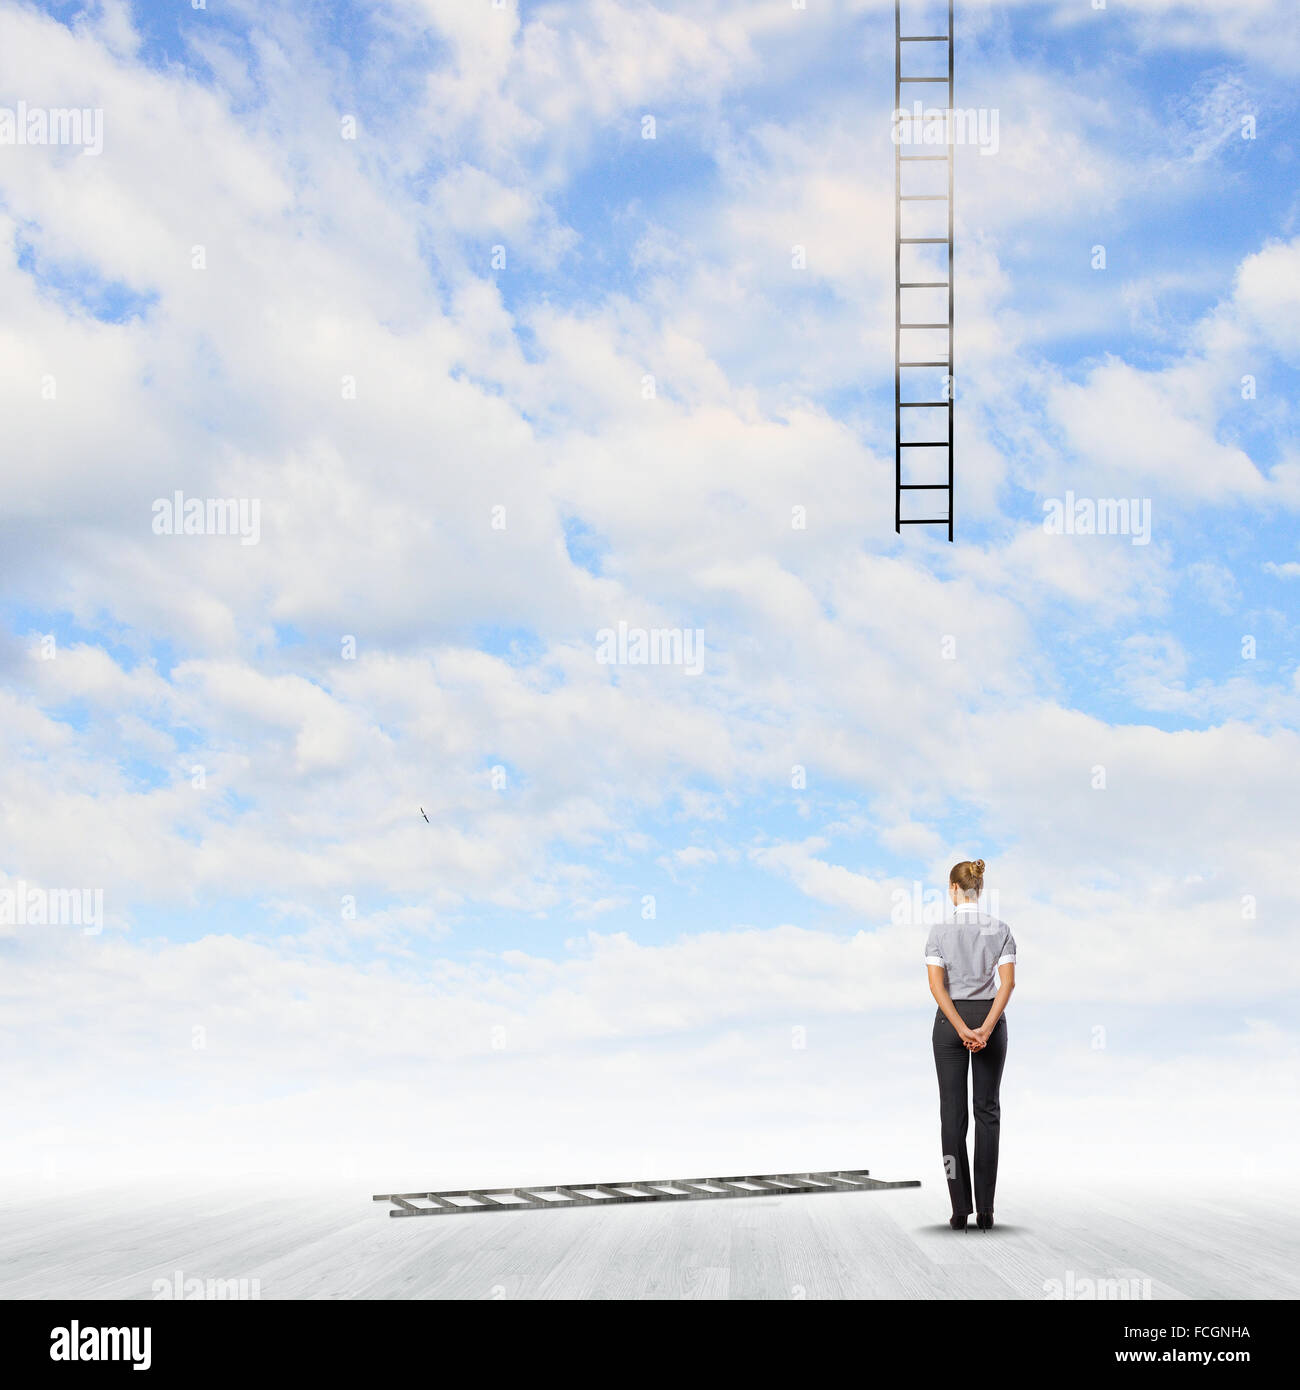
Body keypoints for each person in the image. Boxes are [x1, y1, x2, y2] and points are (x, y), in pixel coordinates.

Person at [924, 859, 1016, 1231]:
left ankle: (959, 1207)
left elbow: (936, 987)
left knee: (952, 1116)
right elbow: (1007, 984)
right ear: (979, 888)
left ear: (953, 888)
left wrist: (962, 1029)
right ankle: (987, 1210)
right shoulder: (1001, 929)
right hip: (990, 1020)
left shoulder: (938, 932)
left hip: (950, 1023)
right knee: (987, 1114)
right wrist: (985, 1028)